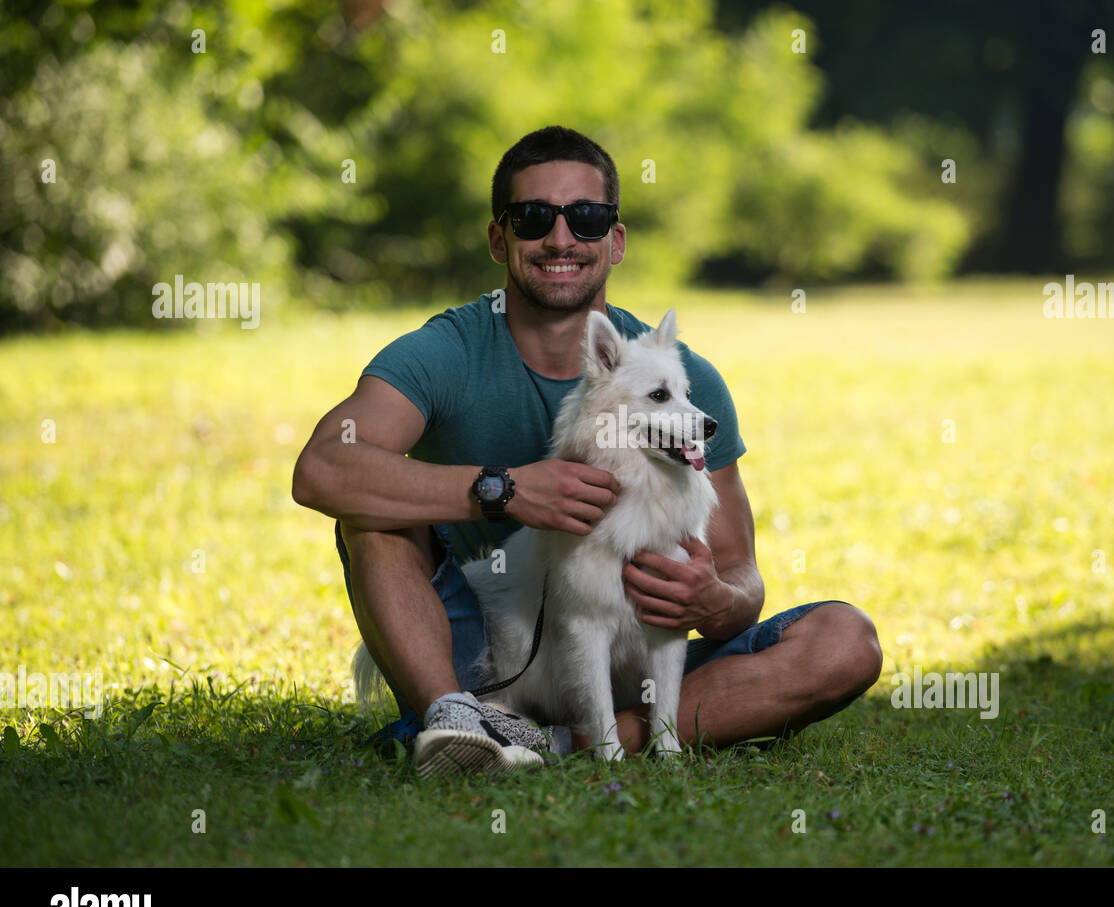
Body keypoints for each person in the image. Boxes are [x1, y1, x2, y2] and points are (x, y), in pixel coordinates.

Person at [292, 125, 881, 774]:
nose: (561, 238)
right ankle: (455, 716)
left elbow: (742, 577)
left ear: (616, 240)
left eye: (589, 218)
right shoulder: (447, 351)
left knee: (844, 641)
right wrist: (505, 489)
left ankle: (570, 743)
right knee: (370, 512)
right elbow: (323, 468)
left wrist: (713, 598)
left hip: (636, 655)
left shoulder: (680, 379)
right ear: (499, 239)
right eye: (533, 217)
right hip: (483, 646)